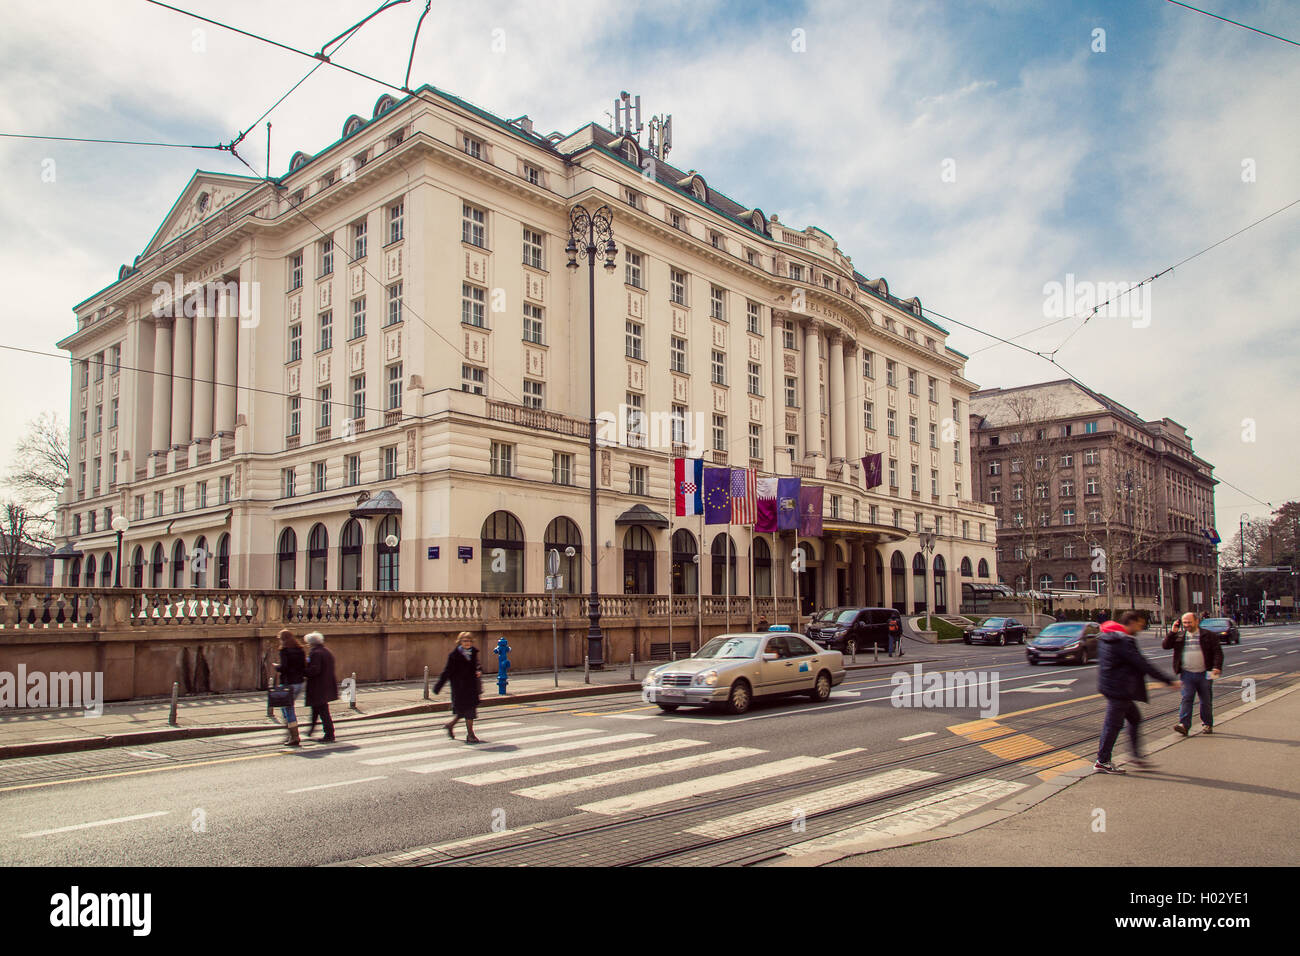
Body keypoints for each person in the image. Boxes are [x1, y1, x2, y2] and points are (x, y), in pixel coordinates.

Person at [1094, 610, 1176, 774]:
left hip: (1111, 685)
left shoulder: (1108, 637)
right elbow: (1142, 664)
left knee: (1134, 718)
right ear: (1131, 623)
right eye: (1140, 623)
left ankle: (1136, 756)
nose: (1142, 626)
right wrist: (1168, 680)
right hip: (1120, 689)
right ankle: (1102, 761)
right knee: (1113, 725)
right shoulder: (1124, 641)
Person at [1164, 611, 1223, 736]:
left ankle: (1207, 724)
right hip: (1186, 674)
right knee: (1186, 698)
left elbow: (1218, 652)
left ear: (1197, 621)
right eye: (1184, 622)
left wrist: (1217, 667)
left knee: (1205, 700)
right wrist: (1172, 631)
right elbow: (1166, 646)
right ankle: (1184, 725)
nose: (1187, 625)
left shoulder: (1209, 635)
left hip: (1205, 673)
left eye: (1189, 622)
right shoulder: (1180, 636)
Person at [435, 631, 483, 743]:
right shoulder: (454, 656)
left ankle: (455, 727)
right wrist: (438, 687)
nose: (467, 643)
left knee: (469, 711)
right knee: (464, 711)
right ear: (460, 642)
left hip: (471, 687)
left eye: (469, 641)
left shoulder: (473, 653)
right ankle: (469, 734)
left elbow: (478, 665)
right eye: (465, 641)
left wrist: (479, 670)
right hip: (460, 688)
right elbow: (447, 672)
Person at [272, 629, 307, 747]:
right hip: (299, 683)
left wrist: (277, 667)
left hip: (288, 683)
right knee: (286, 708)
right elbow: (303, 666)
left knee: (288, 709)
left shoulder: (284, 651)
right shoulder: (300, 649)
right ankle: (291, 733)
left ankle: (294, 736)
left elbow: (285, 667)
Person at [303, 632, 338, 742]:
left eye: (308, 643)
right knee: (317, 709)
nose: (307, 645)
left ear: (312, 643)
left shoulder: (316, 653)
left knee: (322, 711)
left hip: (318, 686)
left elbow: (315, 670)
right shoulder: (326, 651)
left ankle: (329, 734)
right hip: (326, 685)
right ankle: (311, 730)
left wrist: (303, 671)